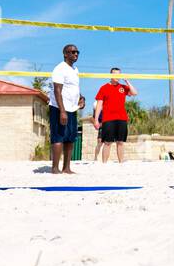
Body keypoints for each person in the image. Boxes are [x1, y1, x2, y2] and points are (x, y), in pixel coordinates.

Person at [49, 44, 85, 174]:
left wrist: (81, 98)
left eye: (77, 52)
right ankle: (55, 168)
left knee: (70, 138)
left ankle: (66, 168)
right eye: (73, 52)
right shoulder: (60, 69)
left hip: (72, 108)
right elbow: (57, 90)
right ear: (65, 54)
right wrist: (62, 111)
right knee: (58, 137)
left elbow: (74, 88)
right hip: (59, 108)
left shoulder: (75, 69)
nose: (76, 54)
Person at [93, 67, 136, 163]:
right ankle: (104, 164)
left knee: (120, 142)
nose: (117, 76)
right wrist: (96, 120)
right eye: (115, 74)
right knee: (107, 142)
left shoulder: (122, 87)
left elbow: (134, 93)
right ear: (110, 75)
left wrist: (127, 81)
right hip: (108, 119)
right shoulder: (103, 88)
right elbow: (99, 105)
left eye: (119, 74)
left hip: (121, 118)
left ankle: (121, 163)